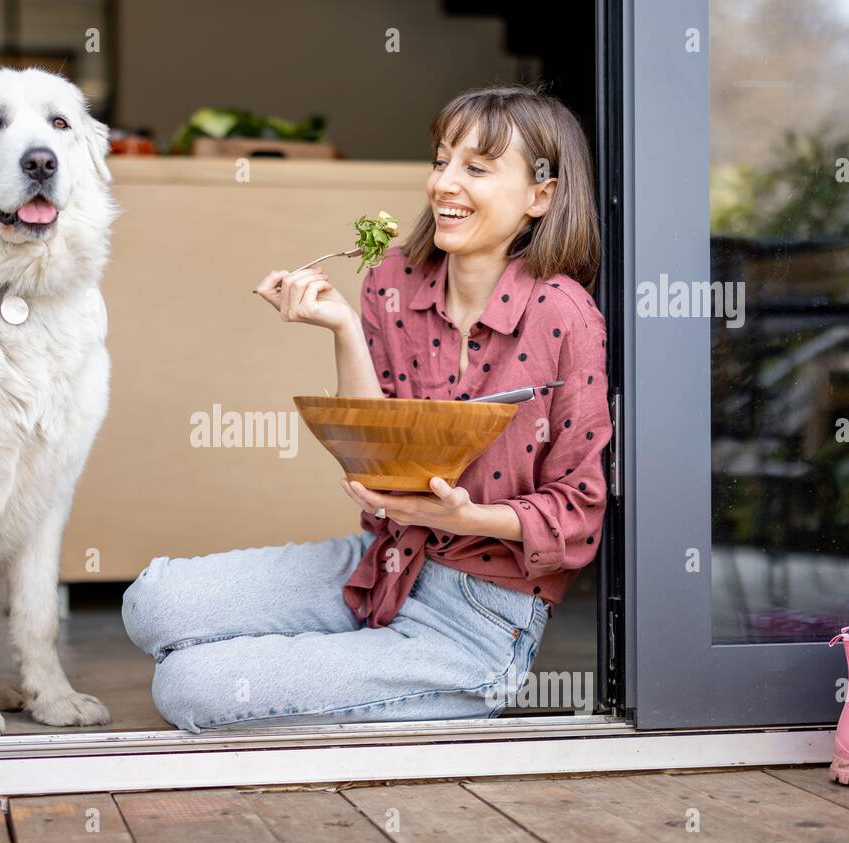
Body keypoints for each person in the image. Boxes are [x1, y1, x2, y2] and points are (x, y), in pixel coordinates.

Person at [122, 85, 612, 733]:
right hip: (385, 560)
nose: (444, 184)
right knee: (151, 601)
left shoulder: (564, 314)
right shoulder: (393, 282)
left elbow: (579, 512)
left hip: (479, 616)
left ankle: (390, 679)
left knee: (187, 686)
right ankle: (338, 670)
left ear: (539, 197)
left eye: (477, 168)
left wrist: (471, 516)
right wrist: (342, 329)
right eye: (441, 161)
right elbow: (376, 452)